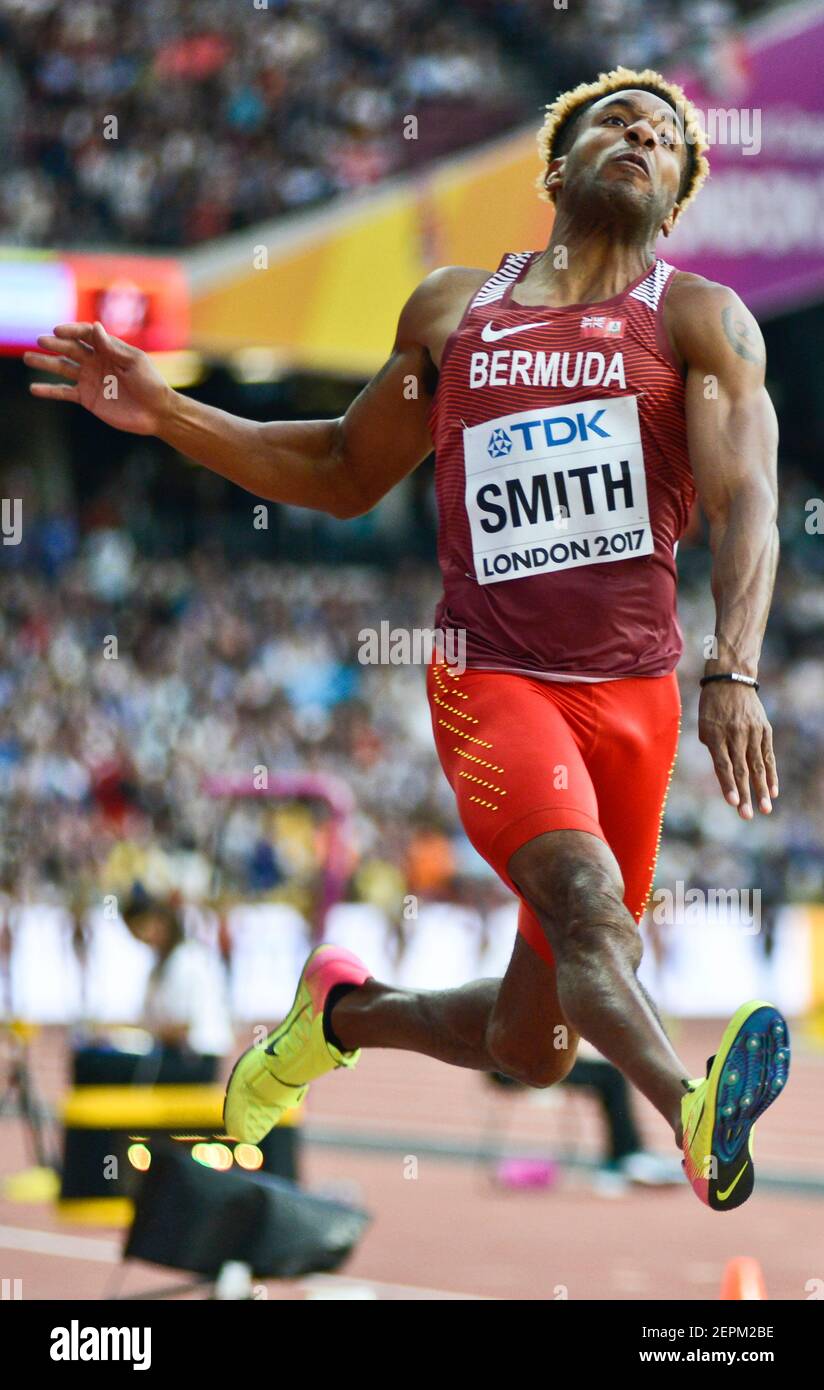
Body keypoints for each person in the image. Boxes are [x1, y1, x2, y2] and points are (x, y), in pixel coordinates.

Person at [26, 65, 790, 1211]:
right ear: (556, 166)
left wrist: (732, 664)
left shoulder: (695, 321)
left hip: (633, 701)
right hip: (493, 678)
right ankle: (691, 1111)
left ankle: (336, 1013)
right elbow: (339, 471)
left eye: (666, 137)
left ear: (675, 195)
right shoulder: (452, 311)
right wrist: (169, 410)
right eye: (613, 123)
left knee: (535, 1043)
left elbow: (748, 505)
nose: (641, 136)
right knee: (587, 909)